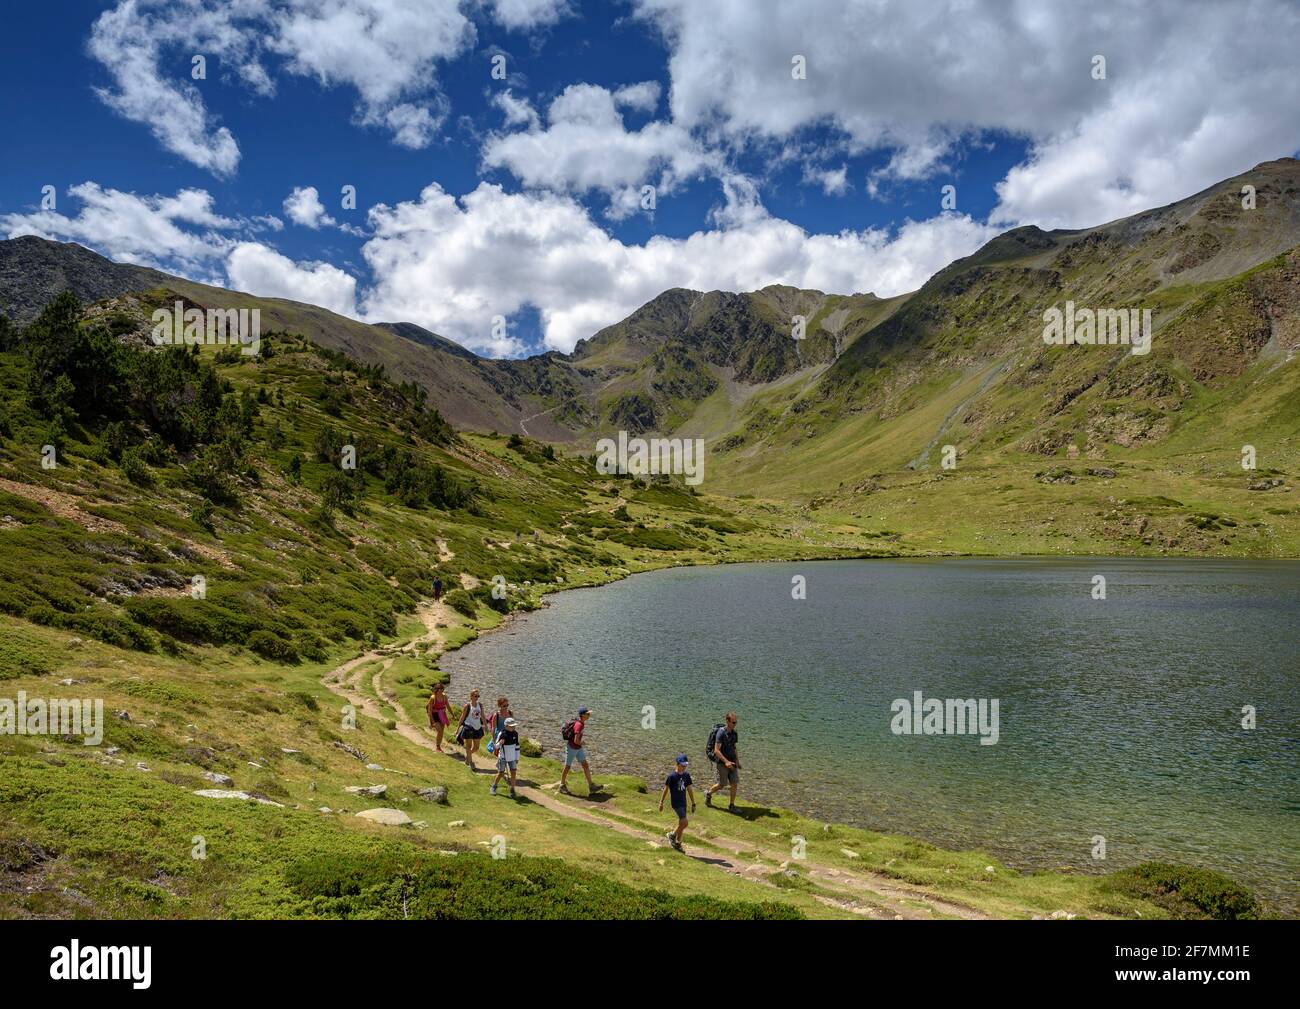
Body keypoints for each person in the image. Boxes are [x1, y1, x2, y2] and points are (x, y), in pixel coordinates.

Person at [659, 754, 696, 851]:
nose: (684, 767)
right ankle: (671, 835)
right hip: (676, 803)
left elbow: (689, 789)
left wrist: (693, 803)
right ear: (678, 764)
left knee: (681, 824)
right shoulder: (671, 776)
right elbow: (666, 789)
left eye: (686, 765)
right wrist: (661, 802)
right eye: (683, 765)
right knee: (685, 822)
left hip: (683, 802)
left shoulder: (686, 775)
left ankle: (678, 844)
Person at [559, 707, 599, 796]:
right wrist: (582, 742)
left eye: (589, 714)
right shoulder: (579, 725)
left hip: (578, 748)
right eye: (588, 714)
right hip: (572, 748)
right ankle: (562, 785)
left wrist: (580, 744)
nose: (589, 715)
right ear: (583, 715)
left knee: (585, 764)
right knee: (567, 767)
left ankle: (591, 786)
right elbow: (575, 741)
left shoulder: (581, 722)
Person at [706, 712, 741, 812]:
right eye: (733, 722)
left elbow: (734, 747)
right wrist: (726, 762)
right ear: (727, 721)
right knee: (722, 784)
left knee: (734, 783)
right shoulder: (721, 733)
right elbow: (716, 750)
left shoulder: (734, 733)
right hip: (722, 763)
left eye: (736, 722)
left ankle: (732, 805)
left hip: (732, 762)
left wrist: (737, 761)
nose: (735, 724)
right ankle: (708, 793)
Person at [491, 717, 522, 798]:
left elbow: (517, 747)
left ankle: (512, 790)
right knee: (501, 773)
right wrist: (500, 743)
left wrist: (517, 758)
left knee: (514, 773)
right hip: (503, 757)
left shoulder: (515, 734)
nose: (513, 727)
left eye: (514, 726)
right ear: (506, 726)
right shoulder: (502, 734)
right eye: (511, 726)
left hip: (512, 758)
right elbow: (496, 746)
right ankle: (494, 787)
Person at [457, 689, 486, 771]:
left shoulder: (480, 705)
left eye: (478, 696)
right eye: (475, 696)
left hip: (477, 727)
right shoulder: (467, 706)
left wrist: (486, 727)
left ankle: (467, 757)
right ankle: (471, 763)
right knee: (469, 746)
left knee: (476, 747)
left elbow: (483, 716)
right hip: (468, 727)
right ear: (471, 696)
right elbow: (462, 717)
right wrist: (458, 727)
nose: (477, 697)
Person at [426, 682, 450, 751]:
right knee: (439, 731)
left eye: (442, 688)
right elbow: (430, 711)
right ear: (436, 689)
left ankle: (438, 746)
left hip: (441, 715)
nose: (441, 690)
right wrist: (432, 722)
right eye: (439, 689)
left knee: (441, 732)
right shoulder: (432, 698)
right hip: (434, 715)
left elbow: (447, 706)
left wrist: (452, 714)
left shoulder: (444, 696)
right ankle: (437, 747)